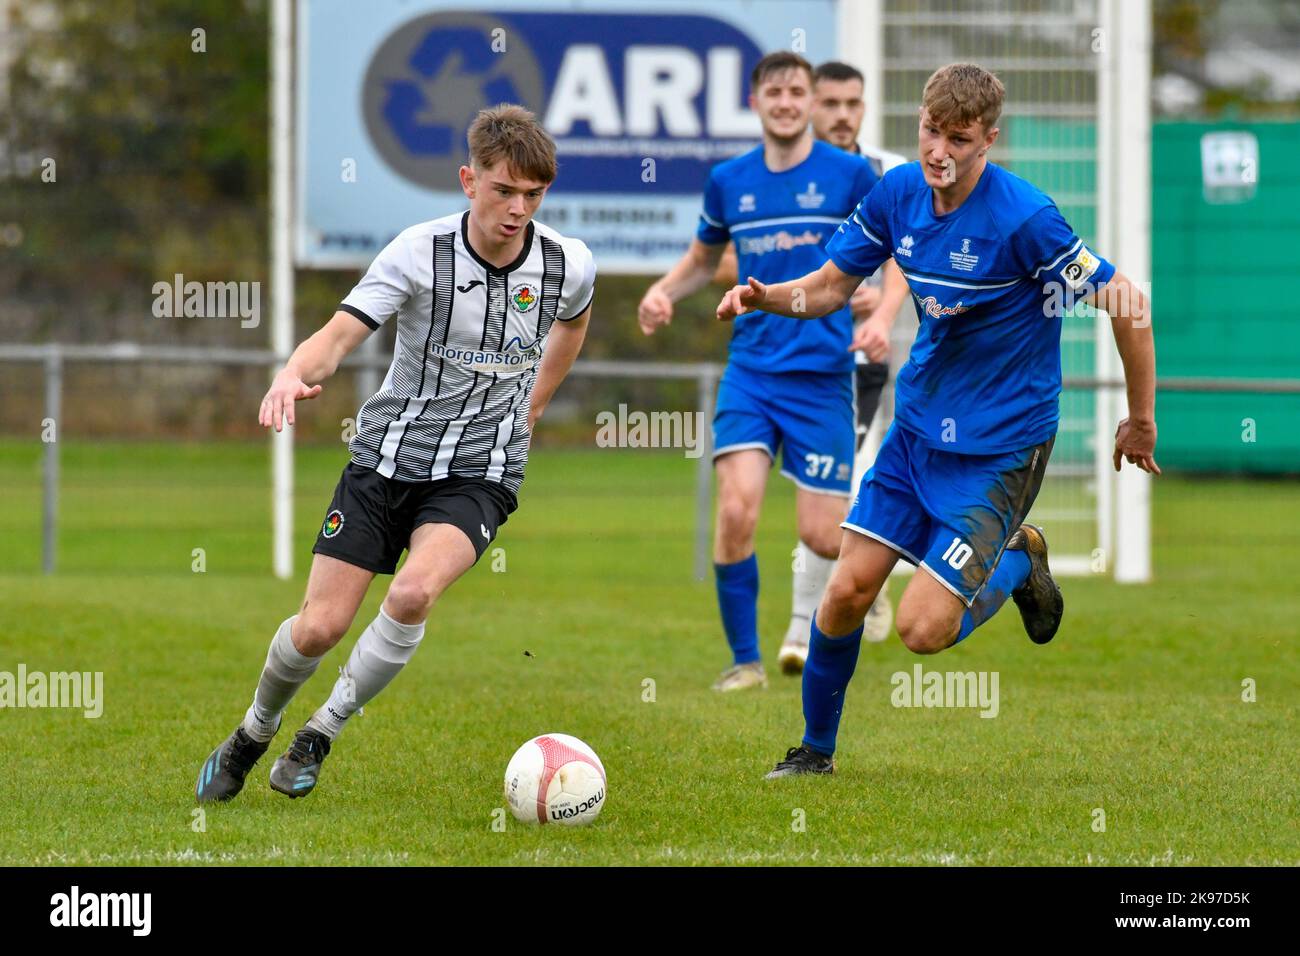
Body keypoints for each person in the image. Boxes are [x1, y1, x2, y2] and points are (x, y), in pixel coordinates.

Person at [716, 63, 1160, 775]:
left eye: (958, 139)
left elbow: (1130, 306)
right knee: (845, 594)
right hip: (917, 432)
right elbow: (831, 286)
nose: (938, 153)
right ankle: (814, 754)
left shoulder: (1027, 220)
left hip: (1000, 450)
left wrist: (1140, 420)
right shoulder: (896, 194)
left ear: (990, 139)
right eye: (929, 132)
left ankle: (1019, 561)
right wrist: (767, 297)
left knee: (923, 631)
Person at [196, 105, 596, 801]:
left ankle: (321, 731)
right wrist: (295, 372)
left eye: (533, 195)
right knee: (319, 627)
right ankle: (253, 731)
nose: (517, 209)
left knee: (413, 592)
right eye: (504, 191)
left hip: (481, 470)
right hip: (384, 461)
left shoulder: (567, 263)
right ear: (469, 181)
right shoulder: (418, 252)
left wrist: (532, 403)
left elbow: (575, 319)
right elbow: (340, 335)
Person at [638, 51, 879, 692]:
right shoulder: (729, 179)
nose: (786, 102)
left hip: (825, 375)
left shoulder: (853, 174)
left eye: (797, 91)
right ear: (756, 103)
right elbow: (700, 259)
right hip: (751, 372)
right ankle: (745, 663)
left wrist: (880, 299)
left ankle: (875, 564)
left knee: (823, 535)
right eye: (773, 92)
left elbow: (899, 244)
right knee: (737, 512)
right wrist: (665, 291)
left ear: (810, 99)